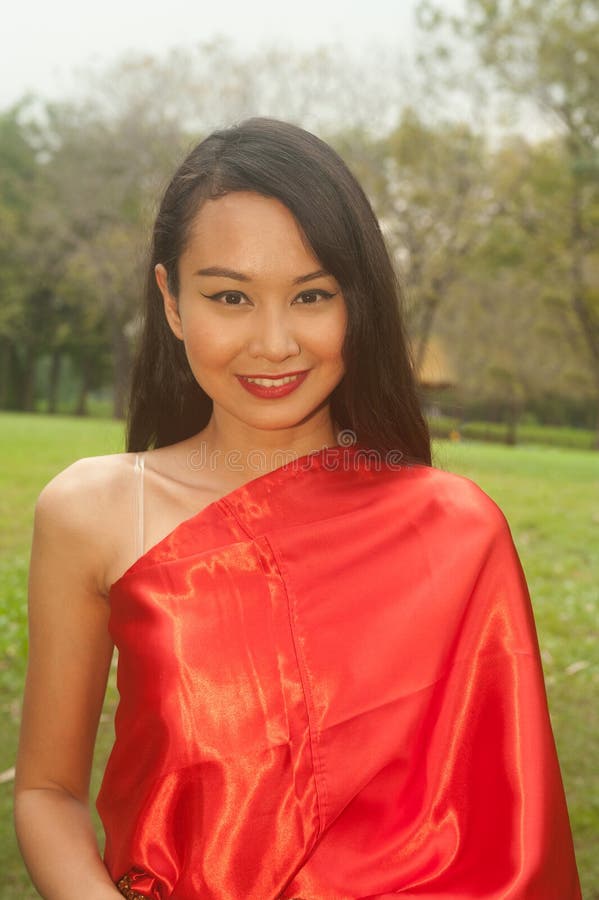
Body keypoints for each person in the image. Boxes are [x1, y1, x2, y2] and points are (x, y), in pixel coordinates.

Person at [14, 117, 581, 900]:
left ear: (357, 303)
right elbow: (47, 792)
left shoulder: (455, 530)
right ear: (171, 301)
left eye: (311, 295)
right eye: (230, 296)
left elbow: (503, 840)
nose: (274, 342)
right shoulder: (94, 511)